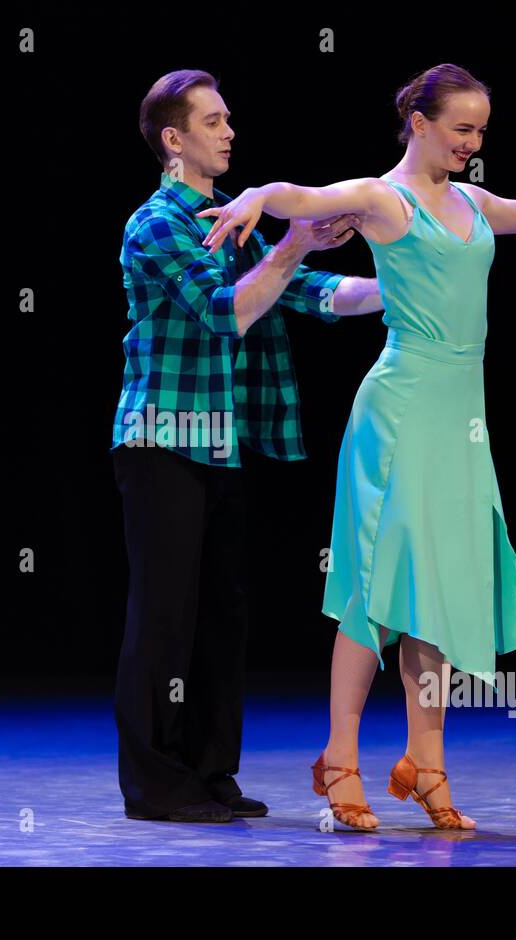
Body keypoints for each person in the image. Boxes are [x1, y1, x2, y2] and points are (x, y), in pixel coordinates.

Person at [200, 63, 516, 831]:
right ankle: (340, 758)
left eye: (481, 130)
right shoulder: (383, 199)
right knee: (374, 589)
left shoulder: (471, 202)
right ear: (418, 123)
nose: (472, 142)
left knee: (438, 595)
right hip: (400, 409)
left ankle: (427, 765)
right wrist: (258, 195)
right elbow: (306, 198)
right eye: (461, 128)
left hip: (461, 417)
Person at [111, 69, 384, 823]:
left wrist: (408, 289)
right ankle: (155, 785)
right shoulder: (155, 224)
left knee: (220, 616)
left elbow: (311, 292)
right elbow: (227, 310)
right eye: (213, 120)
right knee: (165, 615)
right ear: (174, 139)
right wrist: (292, 244)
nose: (230, 131)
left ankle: (208, 773)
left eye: (229, 119)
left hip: (219, 443)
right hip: (162, 440)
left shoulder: (233, 221)